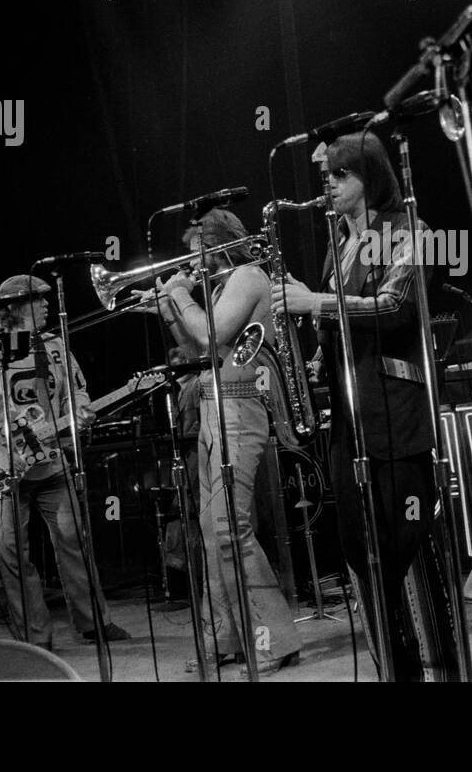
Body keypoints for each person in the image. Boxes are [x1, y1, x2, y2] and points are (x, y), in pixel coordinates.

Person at [272, 133, 460, 682]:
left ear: (370, 176)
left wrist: (317, 302)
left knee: (402, 541)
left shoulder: (410, 230)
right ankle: (397, 670)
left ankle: (435, 664)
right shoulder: (339, 245)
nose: (327, 185)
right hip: (349, 423)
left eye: (340, 174)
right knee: (360, 552)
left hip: (396, 411)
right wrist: (310, 359)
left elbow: (397, 306)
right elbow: (341, 325)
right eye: (325, 176)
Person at [0, 274, 128, 650]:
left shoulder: (54, 346)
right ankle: (35, 639)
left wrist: (78, 411)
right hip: (2, 471)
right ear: (12, 309)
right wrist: (0, 455)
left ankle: (95, 622)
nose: (47, 304)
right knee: (14, 556)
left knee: (75, 540)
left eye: (46, 298)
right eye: (38, 299)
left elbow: (75, 392)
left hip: (51, 464)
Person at [158, 208, 302, 674]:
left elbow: (212, 330)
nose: (189, 262)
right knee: (209, 530)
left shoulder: (247, 276)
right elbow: (197, 346)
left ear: (218, 242)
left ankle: (274, 640)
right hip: (211, 406)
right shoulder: (220, 288)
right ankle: (227, 639)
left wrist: (180, 294)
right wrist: (169, 306)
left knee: (229, 528)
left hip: (241, 406)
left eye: (194, 251)